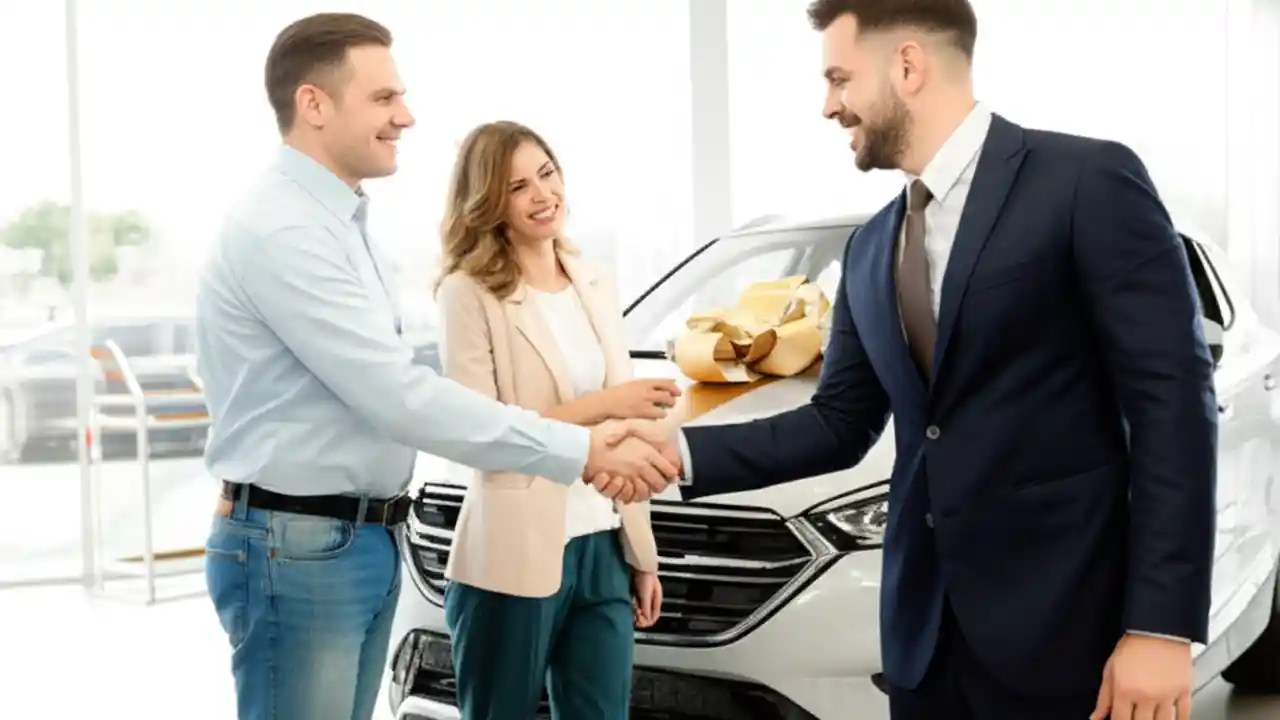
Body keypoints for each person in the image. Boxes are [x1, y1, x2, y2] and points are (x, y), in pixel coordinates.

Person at [653, 1, 1218, 718]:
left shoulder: (1085, 180)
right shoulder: (868, 247)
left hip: (1070, 636)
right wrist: (674, 452)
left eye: (839, 79)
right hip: (922, 646)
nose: (829, 106)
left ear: (908, 65)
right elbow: (838, 423)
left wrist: (1160, 627)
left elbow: (1173, 407)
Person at [195, 14, 676, 720]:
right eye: (385, 98)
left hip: (349, 538)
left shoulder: (337, 226)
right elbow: (399, 396)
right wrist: (582, 442)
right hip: (297, 547)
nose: (407, 117)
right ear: (314, 105)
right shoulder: (284, 230)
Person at [434, 120, 675, 719]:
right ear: (488, 201)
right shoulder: (467, 293)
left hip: (603, 541)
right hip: (514, 549)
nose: (543, 195)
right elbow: (479, 433)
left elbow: (630, 430)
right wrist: (606, 406)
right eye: (518, 186)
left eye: (547, 173)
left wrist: (641, 557)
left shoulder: (592, 279)